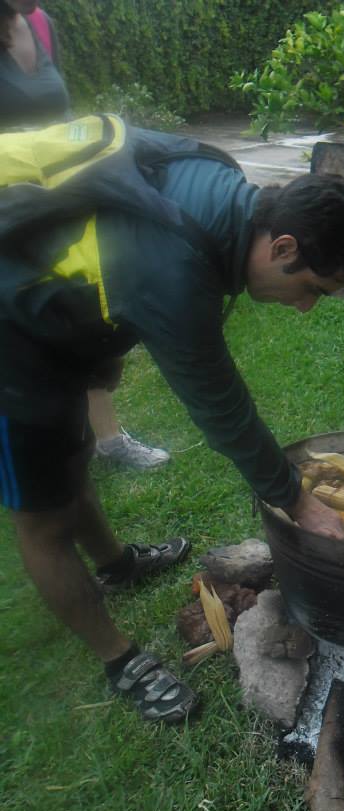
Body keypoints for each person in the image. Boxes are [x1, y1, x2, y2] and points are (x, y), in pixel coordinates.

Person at [0, 123, 344, 723]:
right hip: (11, 330)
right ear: (282, 247)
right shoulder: (176, 273)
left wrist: (105, 347)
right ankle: (118, 658)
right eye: (312, 288)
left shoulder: (222, 186)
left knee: (71, 456)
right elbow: (220, 407)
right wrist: (297, 501)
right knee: (42, 514)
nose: (307, 306)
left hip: (40, 295)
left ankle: (116, 563)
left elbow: (107, 242)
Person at [0, 0, 170, 470]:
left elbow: (62, 118)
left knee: (80, 308)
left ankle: (105, 440)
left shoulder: (38, 22)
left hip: (55, 201)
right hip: (5, 211)